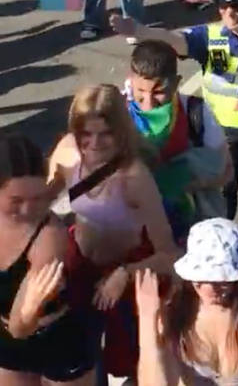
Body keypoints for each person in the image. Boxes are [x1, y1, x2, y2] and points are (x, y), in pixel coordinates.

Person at [111, 0, 238, 306]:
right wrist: (138, 29)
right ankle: (221, 276)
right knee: (215, 217)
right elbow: (177, 41)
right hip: (218, 139)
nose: (229, 13)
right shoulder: (212, 36)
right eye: (223, 6)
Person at [46, 84, 180, 380]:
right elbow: (40, 204)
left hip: (121, 275)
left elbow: (170, 255)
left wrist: (125, 273)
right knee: (74, 356)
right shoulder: (68, 152)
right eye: (86, 133)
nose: (93, 144)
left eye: (105, 133)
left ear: (120, 132)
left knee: (125, 362)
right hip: (78, 265)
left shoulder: (135, 177)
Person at [133, 219, 238, 385]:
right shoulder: (174, 314)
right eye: (197, 275)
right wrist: (147, 320)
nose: (199, 284)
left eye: (215, 279)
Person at [0, 134, 97, 385]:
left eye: (37, 198)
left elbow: (21, 327)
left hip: (57, 339)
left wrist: (30, 307)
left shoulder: (49, 235)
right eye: (16, 201)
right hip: (7, 335)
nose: (29, 210)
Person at [123, 40, 232, 241]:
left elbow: (226, 170)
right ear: (131, 79)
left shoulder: (196, 111)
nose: (148, 103)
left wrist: (190, 183)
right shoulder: (117, 111)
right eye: (141, 91)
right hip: (133, 227)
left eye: (158, 92)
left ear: (176, 82)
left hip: (189, 224)